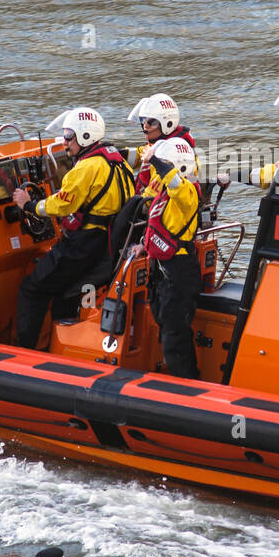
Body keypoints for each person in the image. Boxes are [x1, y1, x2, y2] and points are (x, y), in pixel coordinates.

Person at [13, 107, 135, 349]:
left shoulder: (84, 169)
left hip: (83, 246)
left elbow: (61, 204)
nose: (65, 143)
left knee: (32, 288)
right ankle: (59, 345)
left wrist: (29, 205)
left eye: (69, 137)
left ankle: (24, 350)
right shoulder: (118, 162)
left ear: (85, 137)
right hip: (107, 244)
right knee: (63, 292)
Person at [127, 138, 202, 380]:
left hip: (179, 270)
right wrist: (143, 247)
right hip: (162, 267)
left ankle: (187, 385)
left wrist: (154, 160)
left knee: (175, 332)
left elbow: (174, 180)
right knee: (163, 319)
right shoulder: (165, 191)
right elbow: (160, 226)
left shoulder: (187, 192)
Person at [124, 93, 197, 195]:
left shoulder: (170, 154)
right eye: (143, 121)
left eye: (152, 122)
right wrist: (117, 154)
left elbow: (152, 195)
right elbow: (141, 153)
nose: (145, 126)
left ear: (167, 123)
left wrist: (131, 204)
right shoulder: (162, 143)